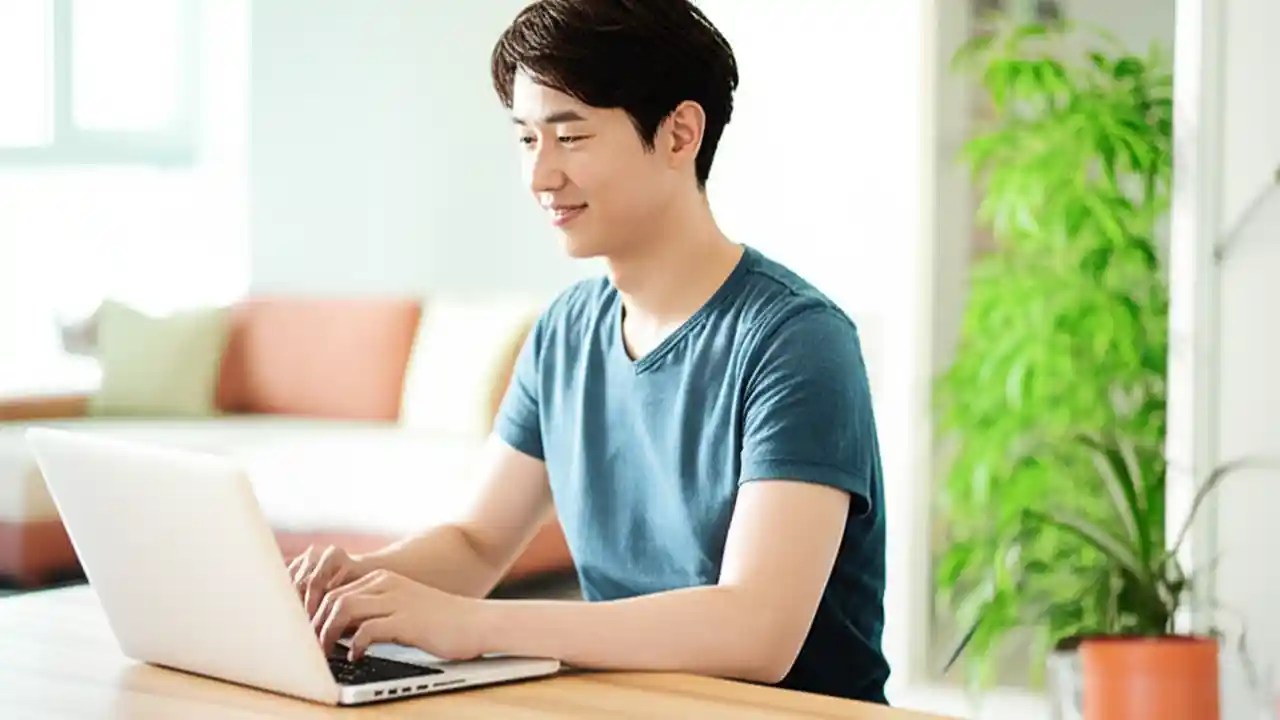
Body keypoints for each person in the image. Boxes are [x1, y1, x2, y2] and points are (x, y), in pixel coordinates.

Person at [290, 0, 890, 704]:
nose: (541, 177)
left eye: (570, 137)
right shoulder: (565, 331)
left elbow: (755, 630)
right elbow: (480, 542)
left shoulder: (797, 342)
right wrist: (356, 584)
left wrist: (477, 625)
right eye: (525, 140)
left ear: (679, 134)